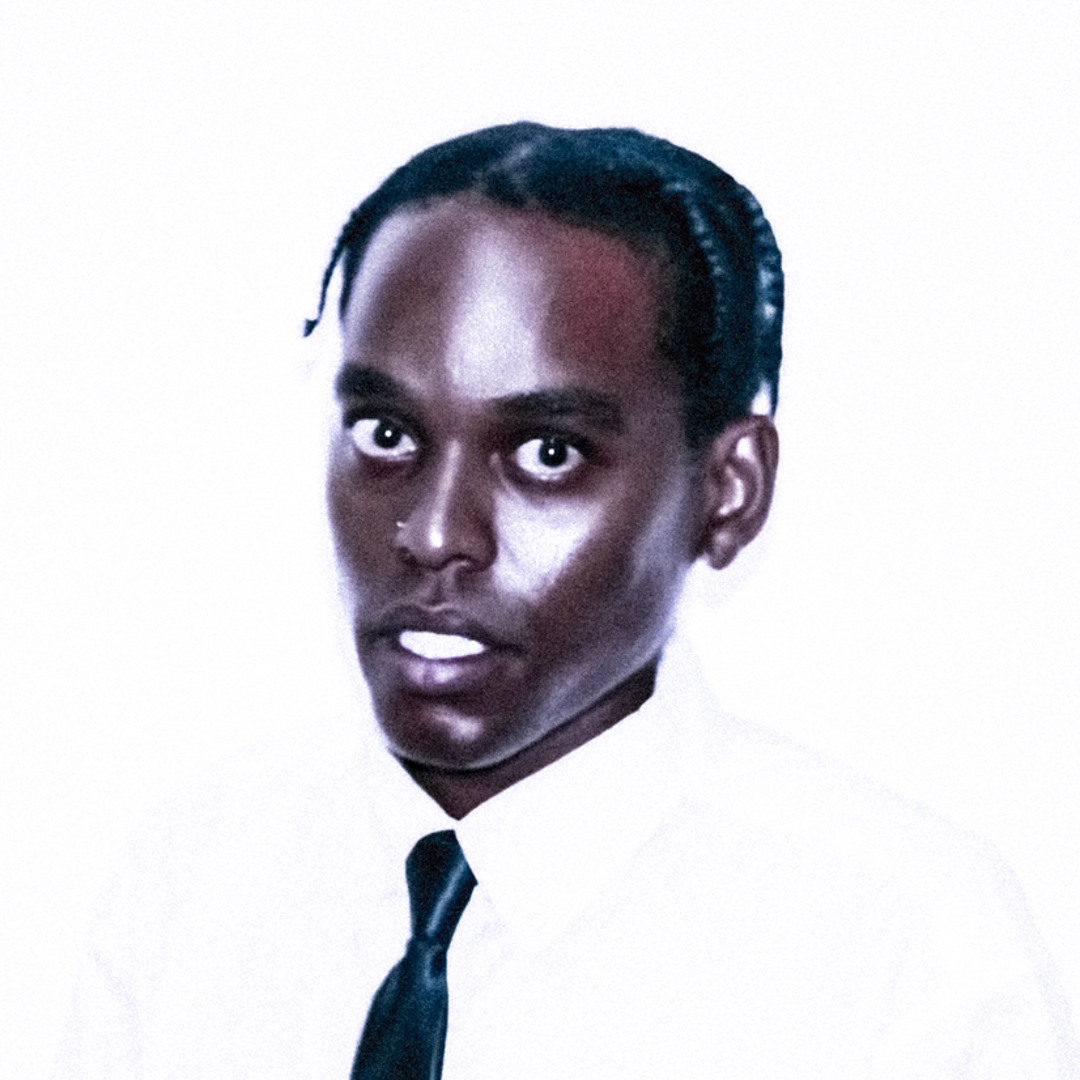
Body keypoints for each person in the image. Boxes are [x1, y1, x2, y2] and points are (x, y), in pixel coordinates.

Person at [56, 123, 1076, 1078]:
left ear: (728, 492)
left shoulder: (905, 950)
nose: (436, 534)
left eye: (548, 453)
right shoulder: (194, 880)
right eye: (387, 434)